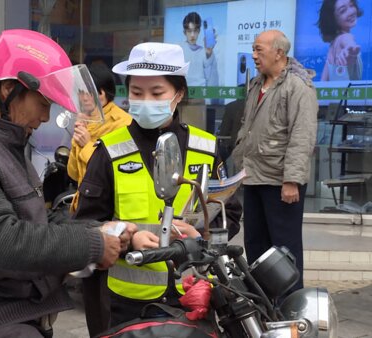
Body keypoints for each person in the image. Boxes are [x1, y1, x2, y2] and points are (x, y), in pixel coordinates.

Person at [0, 29, 137, 338]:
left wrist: (105, 231)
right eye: (43, 103)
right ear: (8, 90)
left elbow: (39, 220)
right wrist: (94, 245)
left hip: (20, 314)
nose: (45, 117)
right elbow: (5, 243)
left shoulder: (5, 144)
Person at [73, 42, 242, 335]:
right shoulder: (109, 151)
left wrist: (203, 234)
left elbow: (231, 216)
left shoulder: (207, 148)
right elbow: (85, 225)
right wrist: (127, 240)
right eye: (137, 93)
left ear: (178, 94)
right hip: (127, 305)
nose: (146, 101)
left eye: (157, 93)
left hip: (194, 296)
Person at [233, 30, 318, 294]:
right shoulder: (257, 84)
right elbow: (248, 127)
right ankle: (263, 307)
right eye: (253, 50)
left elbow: (302, 136)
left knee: (284, 250)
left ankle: (292, 308)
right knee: (256, 247)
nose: (254, 56)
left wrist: (291, 180)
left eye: (259, 50)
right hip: (254, 176)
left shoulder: (298, 86)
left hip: (281, 183)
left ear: (279, 53)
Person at [67, 64, 132, 213]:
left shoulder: (122, 123)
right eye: (81, 92)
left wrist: (87, 144)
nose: (85, 98)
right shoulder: (85, 121)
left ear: (106, 93)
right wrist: (77, 142)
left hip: (108, 208)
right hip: (82, 205)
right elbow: (74, 173)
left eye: (92, 92)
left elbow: (116, 172)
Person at [317, 0, 363, 81]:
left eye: (352, 5)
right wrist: (350, 53)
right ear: (333, 19)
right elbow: (349, 44)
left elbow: (323, 82)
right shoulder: (346, 37)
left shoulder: (333, 45)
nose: (351, 12)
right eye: (343, 11)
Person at [180, 12, 219, 87]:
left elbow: (209, 78)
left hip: (200, 94)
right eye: (189, 31)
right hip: (183, 93)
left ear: (199, 31)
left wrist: (209, 53)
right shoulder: (179, 50)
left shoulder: (203, 51)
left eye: (195, 31)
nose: (192, 35)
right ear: (184, 32)